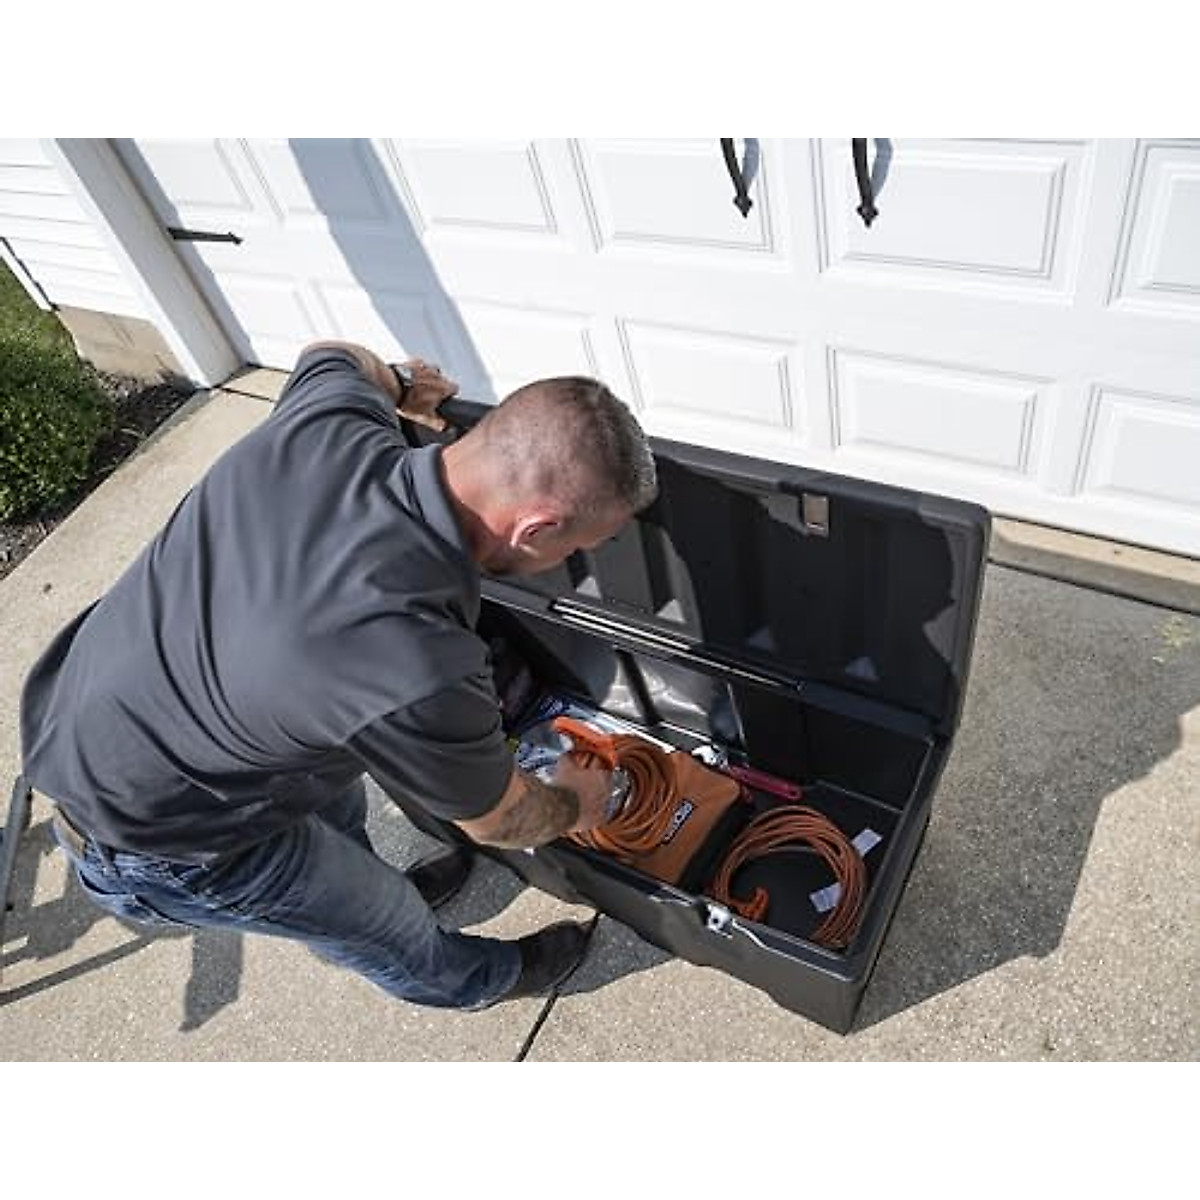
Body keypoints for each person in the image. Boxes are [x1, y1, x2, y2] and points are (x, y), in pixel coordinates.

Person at [18, 341, 658, 1011]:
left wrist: (405, 384)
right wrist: (578, 802)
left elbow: (333, 355)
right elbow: (500, 820)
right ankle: (480, 980)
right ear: (536, 529)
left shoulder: (330, 423)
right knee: (382, 925)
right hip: (163, 837)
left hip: (122, 712)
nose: (578, 560)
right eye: (581, 547)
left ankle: (371, 889)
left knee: (342, 823)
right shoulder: (415, 659)